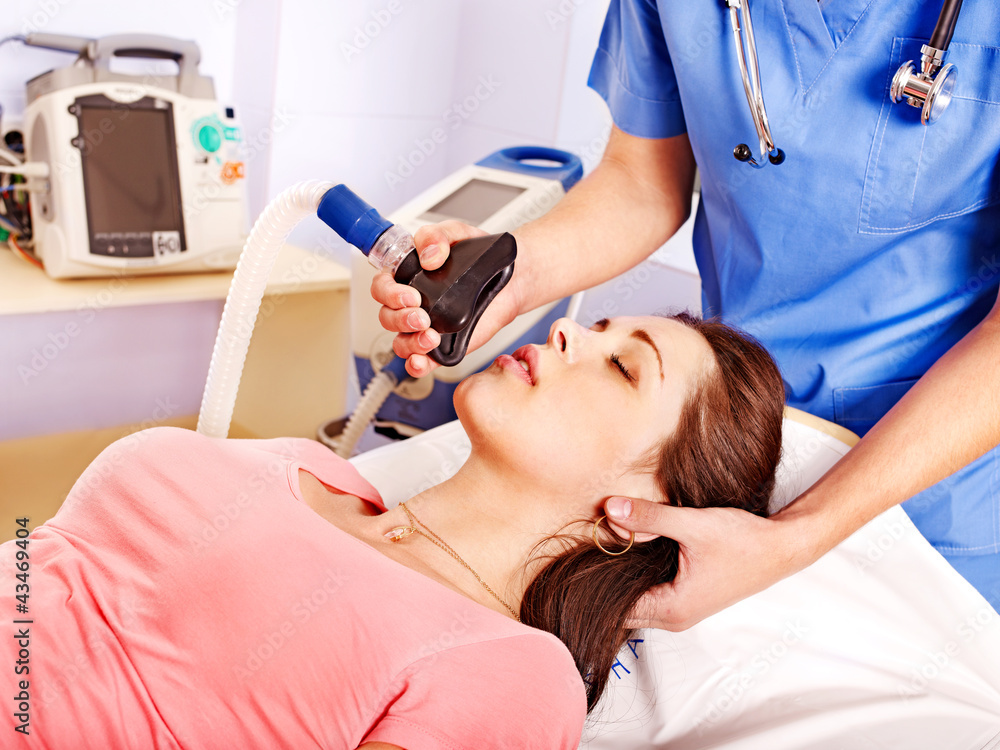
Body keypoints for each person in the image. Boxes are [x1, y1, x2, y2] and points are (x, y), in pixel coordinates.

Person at [371, 0, 1000, 624]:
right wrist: (518, 273)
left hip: (930, 494)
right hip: (720, 456)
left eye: (622, 364)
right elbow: (644, 182)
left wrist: (800, 534)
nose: (563, 330)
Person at [1, 313, 783, 748]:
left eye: (622, 366)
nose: (571, 333)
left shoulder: (514, 674)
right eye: (600, 326)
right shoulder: (314, 467)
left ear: (651, 504)